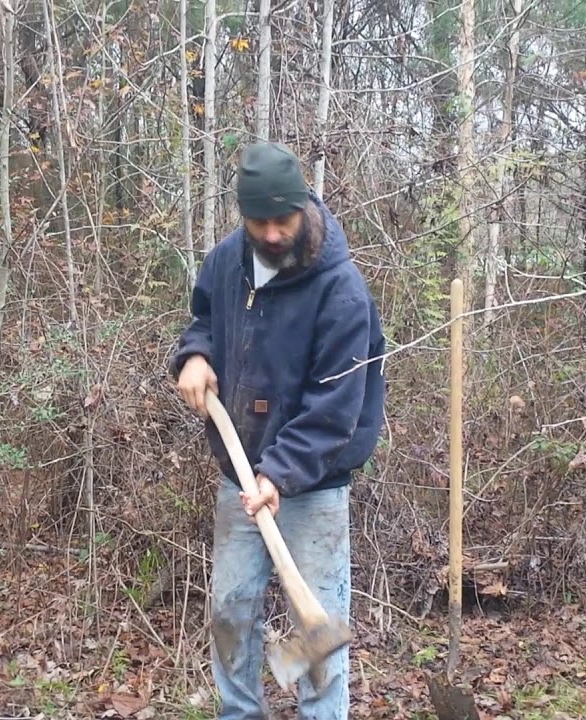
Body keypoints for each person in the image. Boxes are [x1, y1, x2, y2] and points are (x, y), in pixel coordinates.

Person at [170, 141, 387, 720]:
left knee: (317, 632)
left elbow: (337, 406)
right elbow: (203, 320)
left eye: (281, 220)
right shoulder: (225, 261)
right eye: (257, 221)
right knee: (231, 613)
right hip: (238, 476)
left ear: (303, 207)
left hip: (312, 486)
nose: (269, 234)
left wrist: (279, 474)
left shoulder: (341, 292)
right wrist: (194, 354)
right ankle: (239, 713)